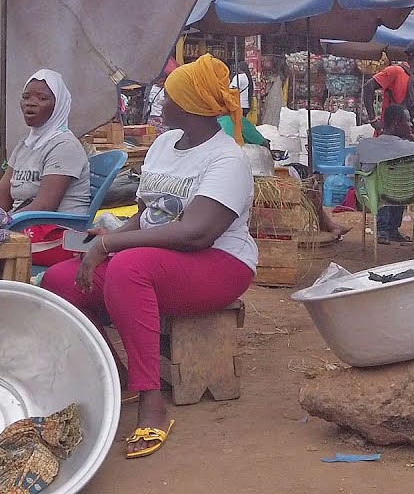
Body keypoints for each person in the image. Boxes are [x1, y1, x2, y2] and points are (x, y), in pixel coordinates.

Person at [40, 54, 255, 459]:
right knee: (59, 281)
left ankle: (151, 400)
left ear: (189, 106)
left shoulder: (226, 159)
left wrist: (110, 247)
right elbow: (147, 214)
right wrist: (109, 239)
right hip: (159, 259)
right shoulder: (163, 145)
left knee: (128, 267)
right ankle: (114, 374)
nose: (162, 102)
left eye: (169, 96)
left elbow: (197, 233)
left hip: (219, 263)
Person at [0, 70, 93, 267]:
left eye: (42, 98)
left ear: (58, 105)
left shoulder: (64, 146)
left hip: (59, 235)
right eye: (26, 97)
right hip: (22, 226)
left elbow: (45, 206)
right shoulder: (25, 144)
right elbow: (0, 199)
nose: (30, 103)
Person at [352, 105, 414, 244]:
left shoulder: (365, 145)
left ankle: (383, 231)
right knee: (396, 183)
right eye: (408, 121)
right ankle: (391, 229)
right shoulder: (412, 148)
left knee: (382, 184)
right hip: (405, 195)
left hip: (369, 196)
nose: (411, 125)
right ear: (397, 123)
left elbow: (356, 168)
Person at [362, 45, 414, 131]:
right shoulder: (395, 71)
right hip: (390, 131)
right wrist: (373, 120)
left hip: (410, 131)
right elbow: (368, 87)